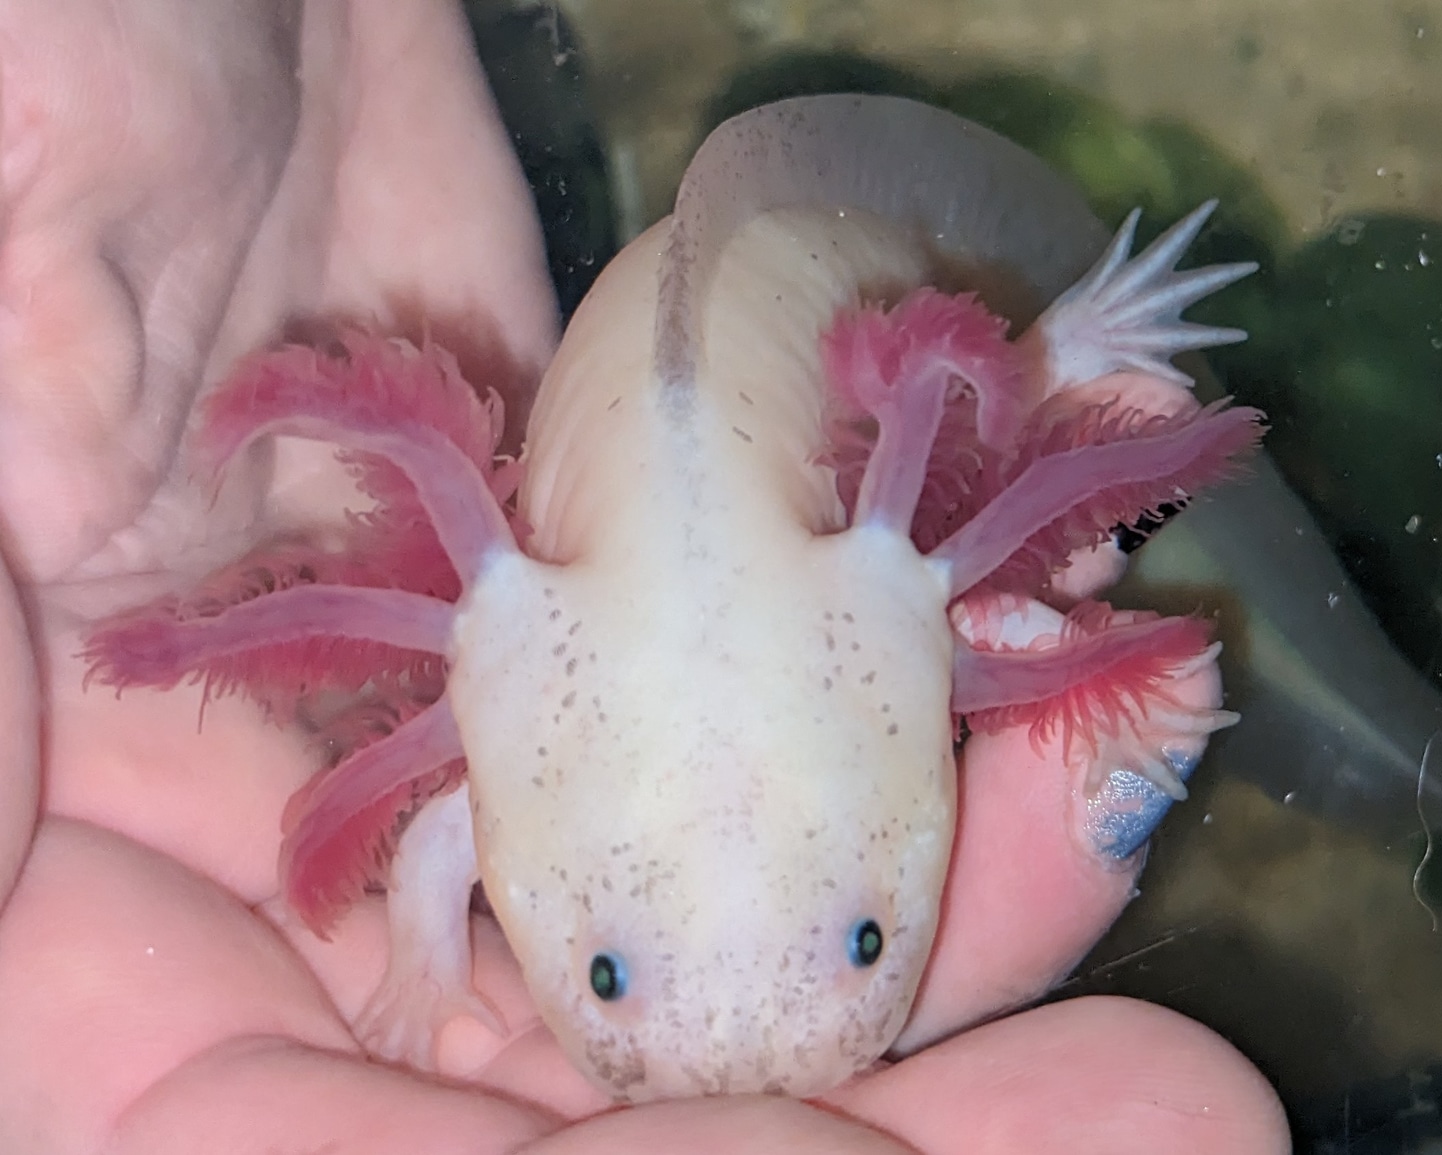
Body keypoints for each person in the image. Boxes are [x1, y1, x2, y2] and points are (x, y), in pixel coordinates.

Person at [0, 3, 1290, 1151]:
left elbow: (449, 832)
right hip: (777, 371)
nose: (753, 1064)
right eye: (608, 977)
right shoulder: (554, 661)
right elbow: (455, 829)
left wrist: (422, 967)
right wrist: (426, 963)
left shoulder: (858, 606)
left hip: (825, 283)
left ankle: (1066, 337)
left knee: (996, 373)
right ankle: (1073, 346)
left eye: (864, 947)